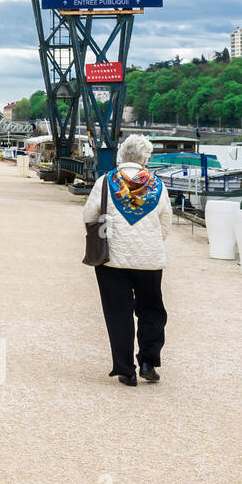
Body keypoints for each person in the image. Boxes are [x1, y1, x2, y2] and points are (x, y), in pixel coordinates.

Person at [82, 134, 172, 387]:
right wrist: (150, 242)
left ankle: (126, 370)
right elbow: (165, 224)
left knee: (118, 314)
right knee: (151, 311)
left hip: (113, 260)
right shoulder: (158, 185)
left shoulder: (105, 182)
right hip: (150, 260)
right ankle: (148, 362)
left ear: (121, 154)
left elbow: (90, 215)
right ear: (145, 158)